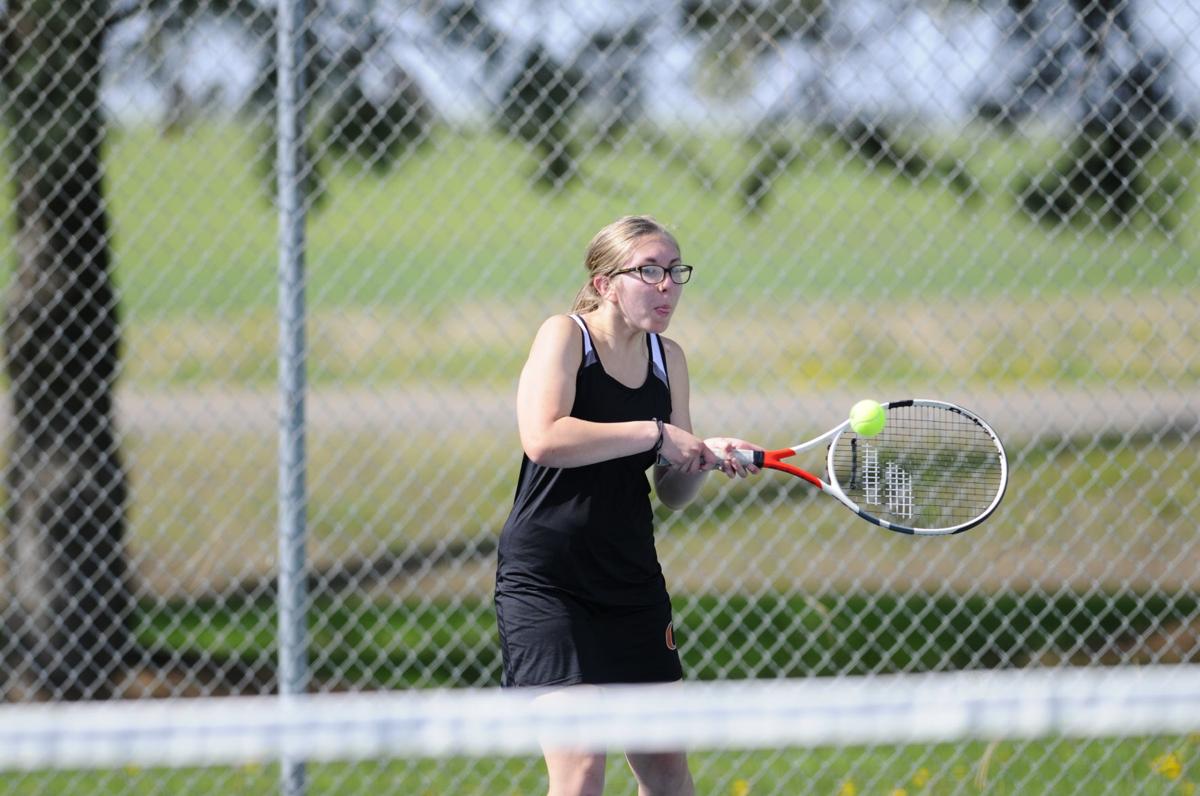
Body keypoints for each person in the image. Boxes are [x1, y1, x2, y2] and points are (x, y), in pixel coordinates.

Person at [494, 215, 760, 796]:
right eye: (648, 271)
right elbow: (543, 438)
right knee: (582, 770)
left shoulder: (670, 359)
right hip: (548, 581)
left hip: (632, 579)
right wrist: (654, 434)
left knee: (667, 773)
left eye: (674, 272)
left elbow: (672, 491)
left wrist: (703, 459)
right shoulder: (564, 336)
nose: (667, 286)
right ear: (604, 283)